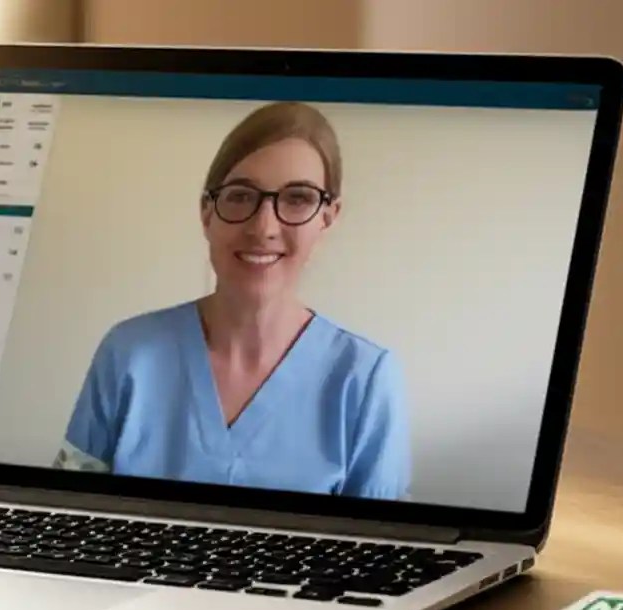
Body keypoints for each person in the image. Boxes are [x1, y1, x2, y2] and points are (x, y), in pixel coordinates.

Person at [53, 101, 412, 500]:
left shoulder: (365, 380)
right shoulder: (128, 353)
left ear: (328, 217)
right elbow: (68, 510)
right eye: (241, 196)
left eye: (297, 198)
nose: (264, 227)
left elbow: (379, 546)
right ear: (207, 212)